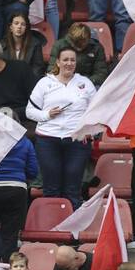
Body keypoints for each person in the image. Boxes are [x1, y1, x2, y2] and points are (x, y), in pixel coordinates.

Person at [27, 48, 97, 210]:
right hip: (47, 140)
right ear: (57, 62)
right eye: (65, 60)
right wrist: (47, 115)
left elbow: (97, 111)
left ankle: (72, 233)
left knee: (73, 189)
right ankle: (52, 230)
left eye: (72, 60)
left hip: (77, 141)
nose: (69, 63)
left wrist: (89, 130)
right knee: (51, 188)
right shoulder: (45, 83)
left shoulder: (85, 83)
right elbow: (30, 112)